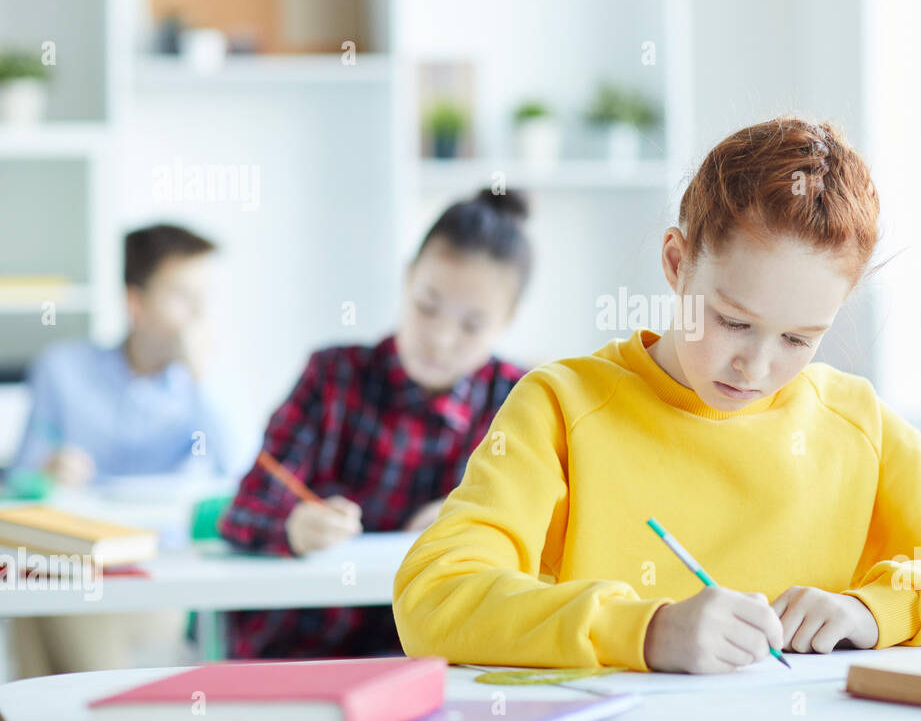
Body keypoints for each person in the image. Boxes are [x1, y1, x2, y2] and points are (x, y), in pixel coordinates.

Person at [393, 117, 921, 673]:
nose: (755, 366)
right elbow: (434, 596)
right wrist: (647, 630)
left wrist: (878, 612)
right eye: (733, 322)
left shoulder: (853, 423)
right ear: (675, 262)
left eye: (799, 339)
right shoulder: (563, 406)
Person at [219, 188, 532, 658]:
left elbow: (547, 539)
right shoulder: (332, 376)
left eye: (471, 325)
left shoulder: (519, 399)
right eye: (427, 306)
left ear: (507, 321)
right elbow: (243, 509)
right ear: (407, 280)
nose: (441, 338)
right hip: (300, 647)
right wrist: (293, 526)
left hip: (438, 653)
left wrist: (468, 525)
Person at [7, 223, 227, 679]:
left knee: (59, 602)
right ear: (136, 303)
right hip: (68, 562)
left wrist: (203, 381)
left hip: (160, 575)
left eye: (205, 297)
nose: (199, 314)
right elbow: (17, 488)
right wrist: (46, 472)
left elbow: (243, 476)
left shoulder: (206, 387)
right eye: (183, 296)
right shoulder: (63, 369)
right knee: (34, 592)